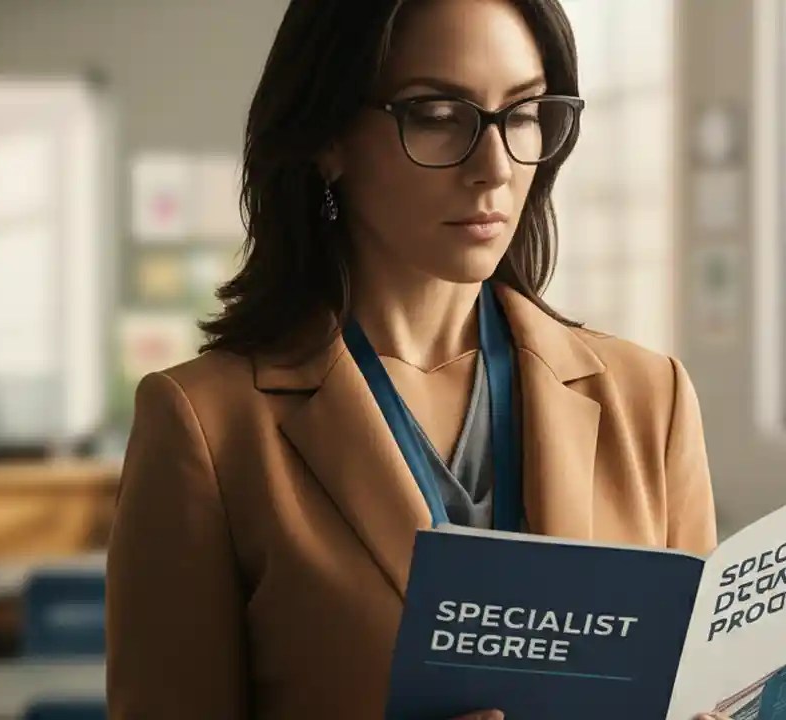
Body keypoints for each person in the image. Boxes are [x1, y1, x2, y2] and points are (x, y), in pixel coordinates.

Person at [106, 1, 725, 718]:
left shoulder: (653, 398)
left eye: (522, 114)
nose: (493, 168)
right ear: (329, 138)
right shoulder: (206, 429)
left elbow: (695, 686)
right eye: (437, 114)